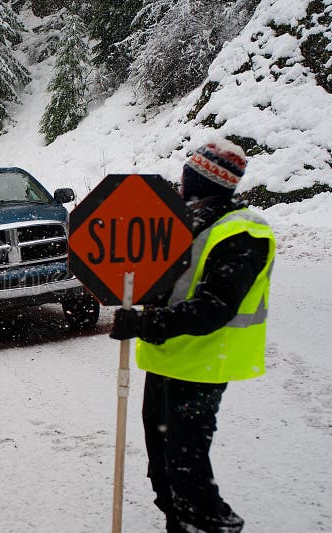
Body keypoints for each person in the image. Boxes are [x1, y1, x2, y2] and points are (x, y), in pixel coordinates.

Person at [109, 140, 276, 532]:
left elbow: (215, 306)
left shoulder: (242, 232)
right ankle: (179, 520)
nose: (182, 181)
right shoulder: (182, 221)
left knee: (185, 464)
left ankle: (210, 522)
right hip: (165, 360)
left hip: (204, 363)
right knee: (163, 464)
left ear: (201, 180)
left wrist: (146, 325)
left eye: (189, 174)